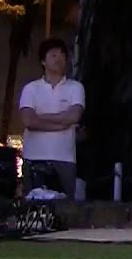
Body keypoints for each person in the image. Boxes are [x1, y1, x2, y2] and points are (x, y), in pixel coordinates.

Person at [18, 39, 85, 197]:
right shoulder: (31, 88)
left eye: (62, 55)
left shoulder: (75, 87)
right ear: (43, 61)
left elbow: (74, 115)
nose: (59, 59)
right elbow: (28, 121)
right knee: (33, 210)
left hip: (65, 158)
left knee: (64, 211)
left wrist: (40, 118)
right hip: (34, 157)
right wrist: (60, 124)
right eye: (53, 55)